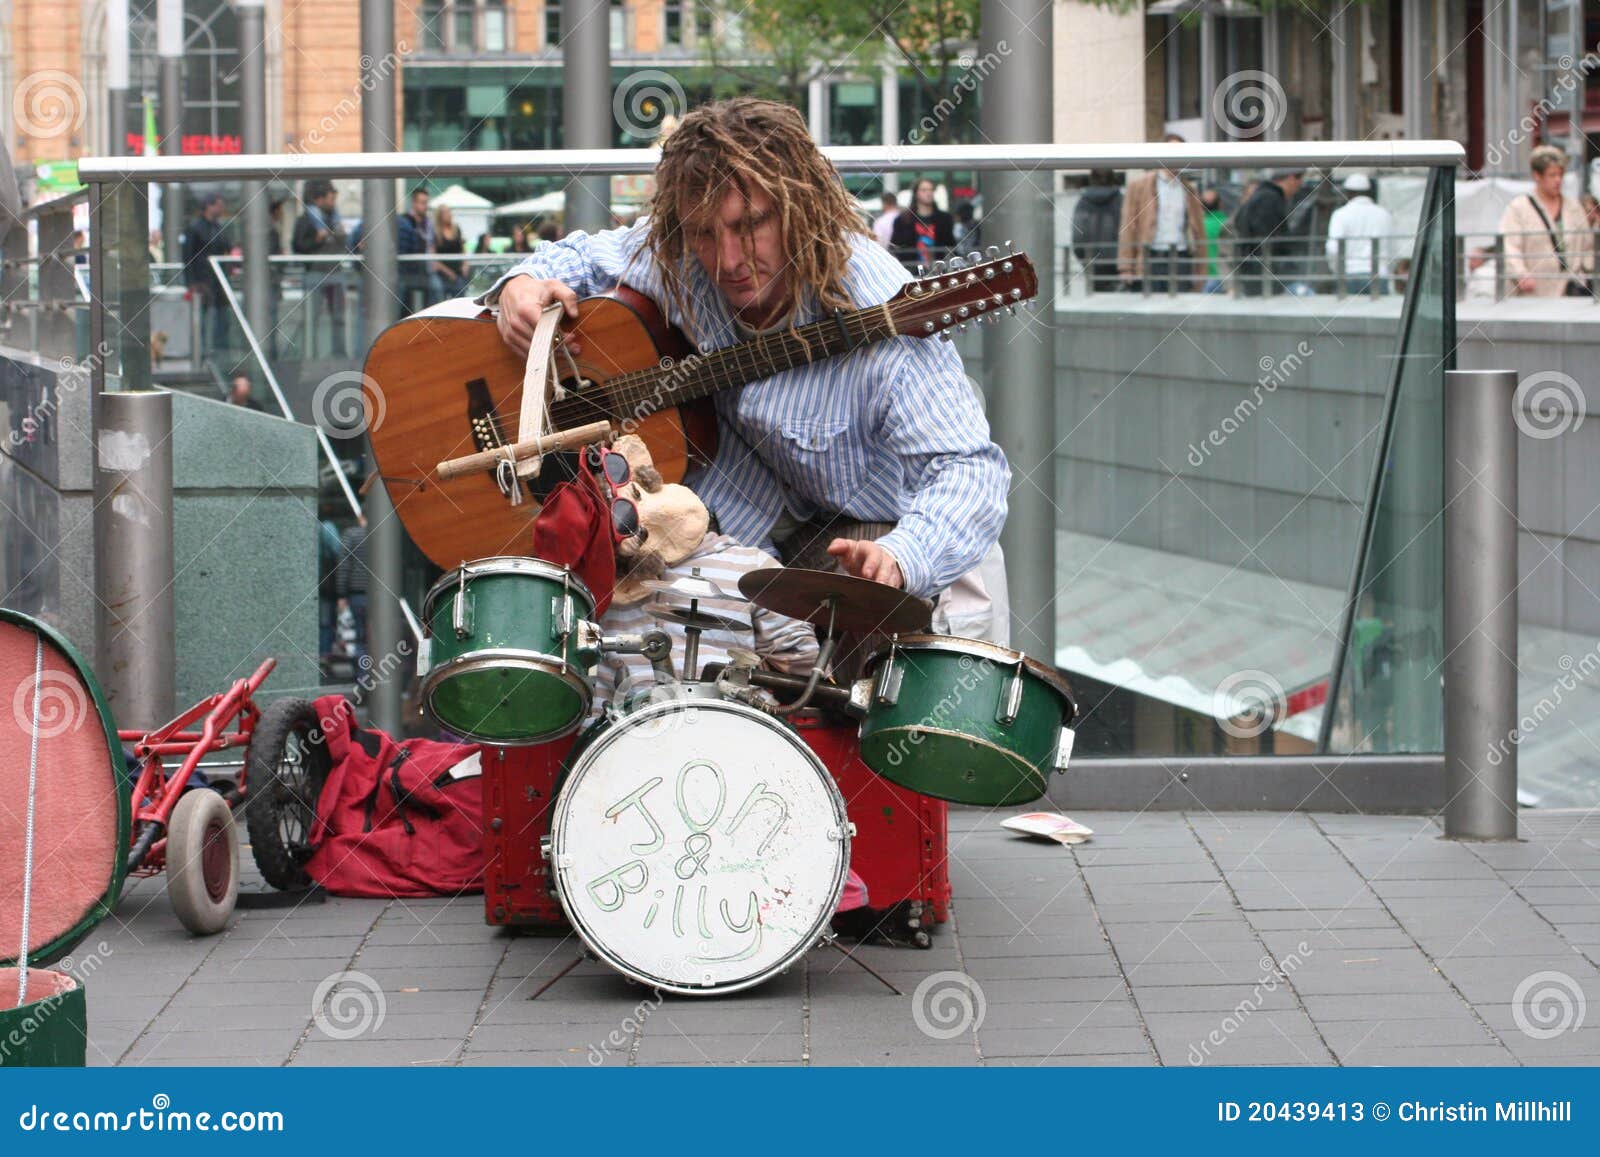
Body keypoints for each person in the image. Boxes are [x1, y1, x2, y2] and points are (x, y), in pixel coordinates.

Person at [488, 97, 1010, 642]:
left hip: (881, 529)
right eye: (705, 234)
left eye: (752, 225)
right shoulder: (682, 258)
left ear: (801, 209)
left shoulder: (881, 311)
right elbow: (585, 255)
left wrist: (902, 556)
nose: (729, 261)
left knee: (868, 630)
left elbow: (968, 468)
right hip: (744, 516)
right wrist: (521, 285)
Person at [589, 435, 818, 714]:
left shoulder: (753, 569)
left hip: (737, 730)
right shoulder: (601, 598)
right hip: (645, 741)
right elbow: (805, 668)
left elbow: (804, 675)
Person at [1498, 145, 1594, 297]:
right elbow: (1509, 246)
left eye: (1561, 175)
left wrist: (1587, 275)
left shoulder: (1573, 207)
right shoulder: (1519, 207)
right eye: (1552, 175)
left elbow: (1588, 244)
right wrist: (1521, 274)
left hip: (1571, 293)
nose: (1558, 180)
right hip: (1534, 293)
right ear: (1537, 175)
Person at [1118, 135, 1206, 292]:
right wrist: (1126, 267)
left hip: (1181, 259)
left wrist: (1201, 271)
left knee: (1181, 309)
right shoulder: (1139, 187)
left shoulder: (1190, 190)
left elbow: (1199, 231)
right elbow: (1128, 226)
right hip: (1151, 258)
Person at [291, 179, 349, 356]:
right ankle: (310, 353)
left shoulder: (335, 220)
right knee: (312, 317)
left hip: (335, 273)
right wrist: (317, 239)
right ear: (319, 200)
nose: (333, 203)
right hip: (315, 273)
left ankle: (339, 352)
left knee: (338, 317)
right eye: (331, 199)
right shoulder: (306, 220)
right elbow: (298, 245)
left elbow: (343, 245)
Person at [1233, 167, 1305, 296]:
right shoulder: (1269, 199)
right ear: (1292, 178)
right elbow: (1268, 240)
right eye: (1300, 182)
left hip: (1255, 275)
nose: (1299, 188)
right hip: (1265, 278)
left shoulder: (1260, 196)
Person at [181, 193, 233, 359]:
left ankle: (220, 352)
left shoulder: (218, 227)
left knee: (222, 319)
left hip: (219, 281)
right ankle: (202, 353)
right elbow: (187, 256)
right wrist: (191, 282)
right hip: (203, 280)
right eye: (219, 205)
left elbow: (226, 247)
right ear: (209, 206)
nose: (222, 208)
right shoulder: (195, 228)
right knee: (203, 319)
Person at [1324, 173, 1394, 295]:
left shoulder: (1340, 214)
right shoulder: (1384, 214)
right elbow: (1393, 247)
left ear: (1348, 192)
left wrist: (1337, 270)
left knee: (1349, 313)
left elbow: (1333, 248)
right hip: (1379, 275)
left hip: (1348, 275)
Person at [1071, 169, 1122, 293]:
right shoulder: (1121, 200)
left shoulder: (1083, 202)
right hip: (1117, 262)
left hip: (1091, 261)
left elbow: (1078, 235)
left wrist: (1083, 259)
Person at [889, 178, 956, 271]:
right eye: (924, 190)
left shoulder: (944, 218)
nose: (928, 193)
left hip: (938, 271)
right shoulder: (902, 220)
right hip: (911, 272)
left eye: (931, 190)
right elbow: (894, 247)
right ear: (916, 193)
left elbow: (951, 246)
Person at [396, 186, 433, 311]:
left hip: (423, 271)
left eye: (426, 203)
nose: (425, 206)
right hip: (408, 273)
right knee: (406, 307)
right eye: (422, 203)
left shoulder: (428, 223)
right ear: (414, 203)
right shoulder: (405, 221)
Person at [431, 203, 467, 300]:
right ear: (440, 215)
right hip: (442, 274)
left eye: (449, 212)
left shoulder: (456, 229)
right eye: (446, 212)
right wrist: (448, 272)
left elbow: (463, 249)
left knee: (460, 298)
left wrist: (465, 265)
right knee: (440, 299)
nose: (449, 214)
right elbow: (433, 256)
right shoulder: (435, 232)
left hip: (458, 272)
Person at [1199, 188, 1228, 293]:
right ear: (1221, 204)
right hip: (1226, 276)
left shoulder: (1199, 226)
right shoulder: (1228, 224)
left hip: (1206, 277)